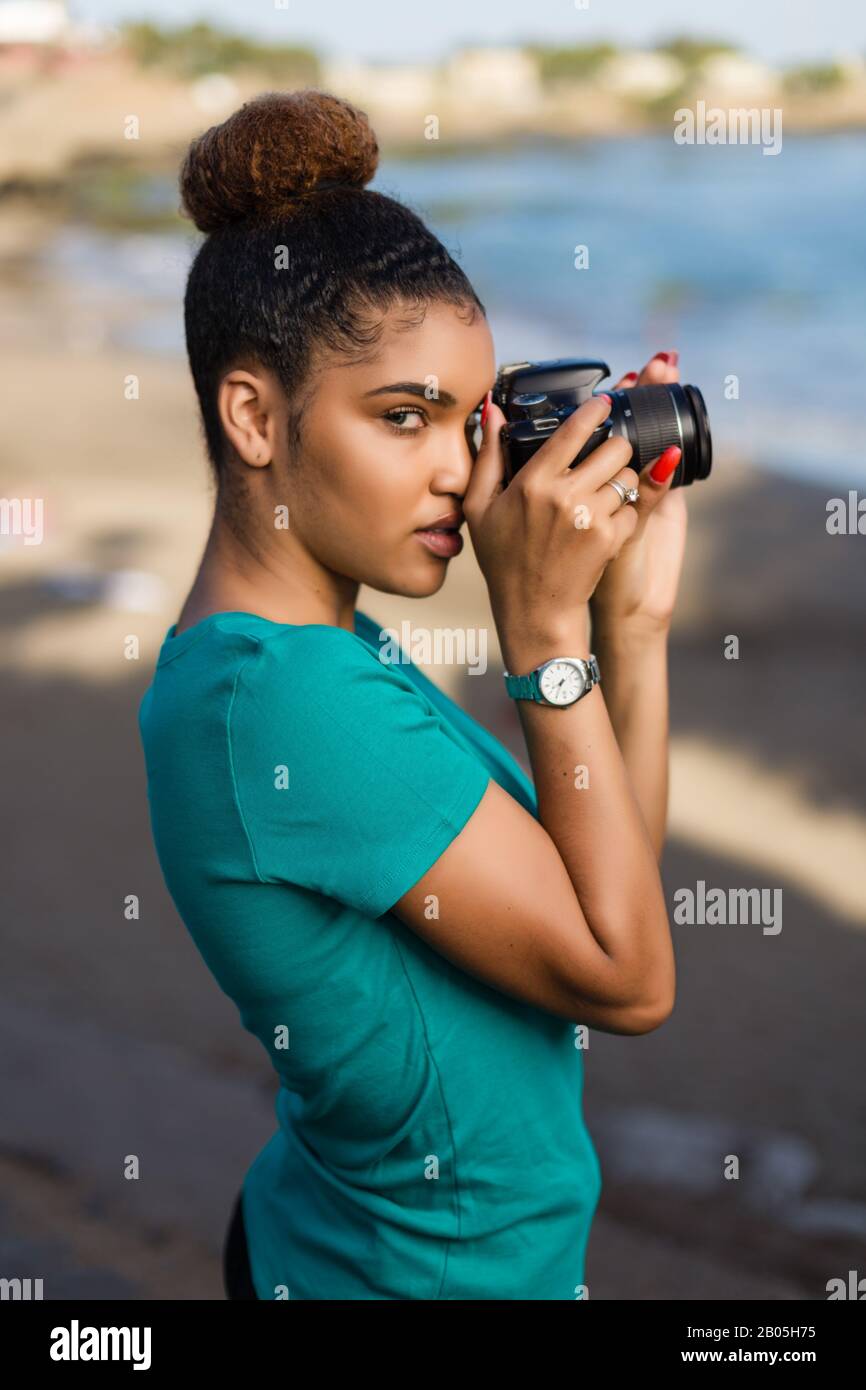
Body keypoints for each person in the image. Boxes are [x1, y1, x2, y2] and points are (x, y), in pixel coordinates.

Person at [137, 88, 686, 1301]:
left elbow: (606, 889)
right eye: (404, 418)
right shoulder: (289, 705)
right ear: (254, 416)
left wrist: (623, 625)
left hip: (338, 1236)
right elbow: (630, 976)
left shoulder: (304, 652)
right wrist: (539, 632)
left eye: (471, 417)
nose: (462, 469)